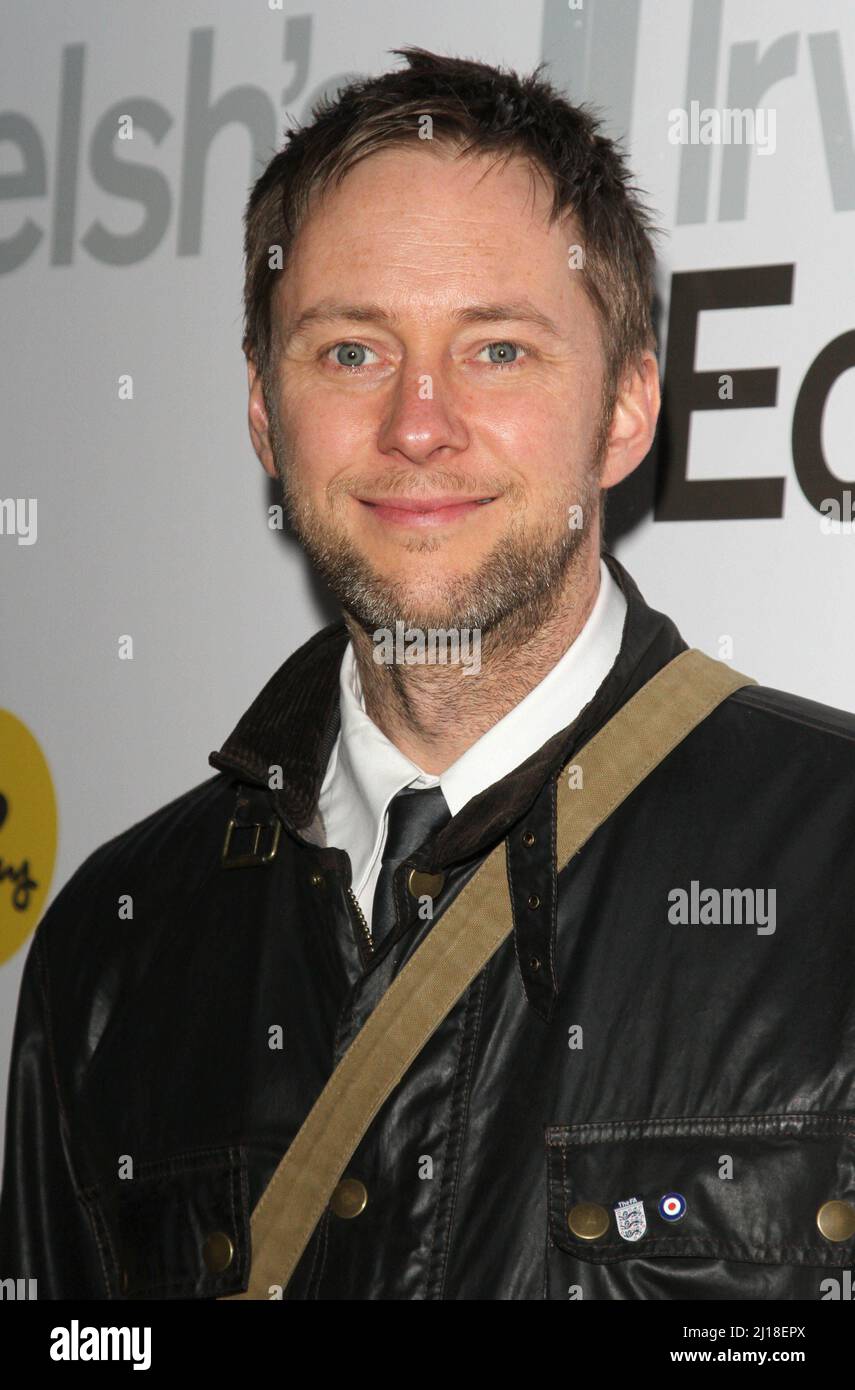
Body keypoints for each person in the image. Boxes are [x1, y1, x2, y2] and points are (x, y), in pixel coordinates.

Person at [2, 46, 854, 1302]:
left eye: (498, 350)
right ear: (262, 413)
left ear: (625, 408)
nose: (416, 423)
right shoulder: (114, 951)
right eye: (350, 352)